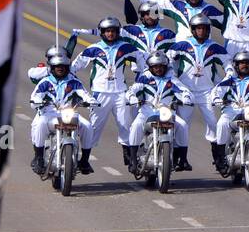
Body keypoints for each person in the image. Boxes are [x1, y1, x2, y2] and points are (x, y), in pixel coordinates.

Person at [69, 17, 140, 170]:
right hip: (100, 95)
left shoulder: (126, 47)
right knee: (94, 127)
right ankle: (85, 159)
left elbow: (144, 61)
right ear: (102, 33)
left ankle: (129, 156)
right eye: (107, 31)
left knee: (126, 124)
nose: (110, 34)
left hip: (121, 92)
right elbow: (74, 67)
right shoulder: (93, 49)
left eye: (113, 31)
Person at [167, 14, 230, 170]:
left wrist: (228, 76)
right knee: (182, 126)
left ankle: (219, 159)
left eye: (204, 28)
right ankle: (180, 159)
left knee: (215, 124)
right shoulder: (181, 45)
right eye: (198, 28)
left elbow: (228, 64)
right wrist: (173, 80)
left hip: (207, 92)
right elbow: (168, 62)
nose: (201, 31)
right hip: (185, 91)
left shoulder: (215, 47)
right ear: (193, 30)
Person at [28, 53, 96, 176]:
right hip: (50, 114)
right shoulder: (45, 82)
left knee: (88, 126)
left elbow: (84, 94)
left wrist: (91, 101)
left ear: (67, 68)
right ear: (52, 68)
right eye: (57, 66)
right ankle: (38, 158)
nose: (60, 68)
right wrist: (37, 101)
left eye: (63, 66)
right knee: (40, 124)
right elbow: (35, 96)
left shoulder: (74, 82)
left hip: (69, 112)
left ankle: (85, 161)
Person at [125, 52, 192, 169]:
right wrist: (132, 99)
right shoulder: (144, 79)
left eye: (161, 66)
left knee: (183, 125)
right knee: (135, 126)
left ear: (165, 66)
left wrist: (186, 98)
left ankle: (183, 159)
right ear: (151, 68)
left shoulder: (171, 80)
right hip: (147, 112)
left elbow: (184, 90)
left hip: (167, 112)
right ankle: (133, 160)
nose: (158, 69)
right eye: (155, 67)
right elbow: (131, 91)